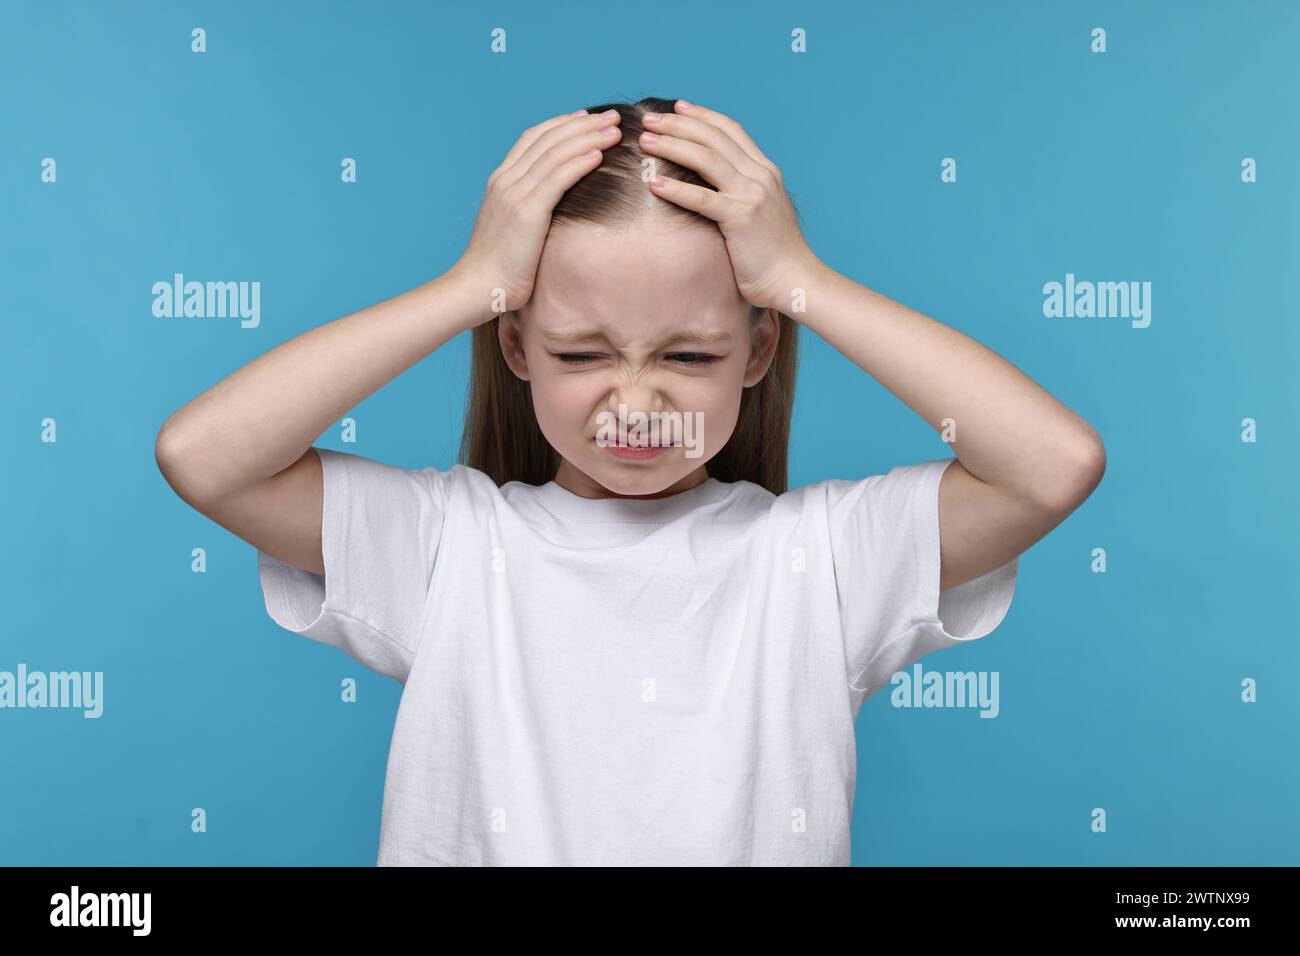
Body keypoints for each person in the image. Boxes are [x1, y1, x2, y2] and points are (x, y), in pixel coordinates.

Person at [155, 96, 1105, 866]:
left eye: (690, 354)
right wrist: (471, 284)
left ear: (759, 347)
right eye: (581, 354)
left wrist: (801, 276)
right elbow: (206, 456)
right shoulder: (448, 549)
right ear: (517, 346)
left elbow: (1052, 465)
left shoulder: (822, 562)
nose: (638, 403)